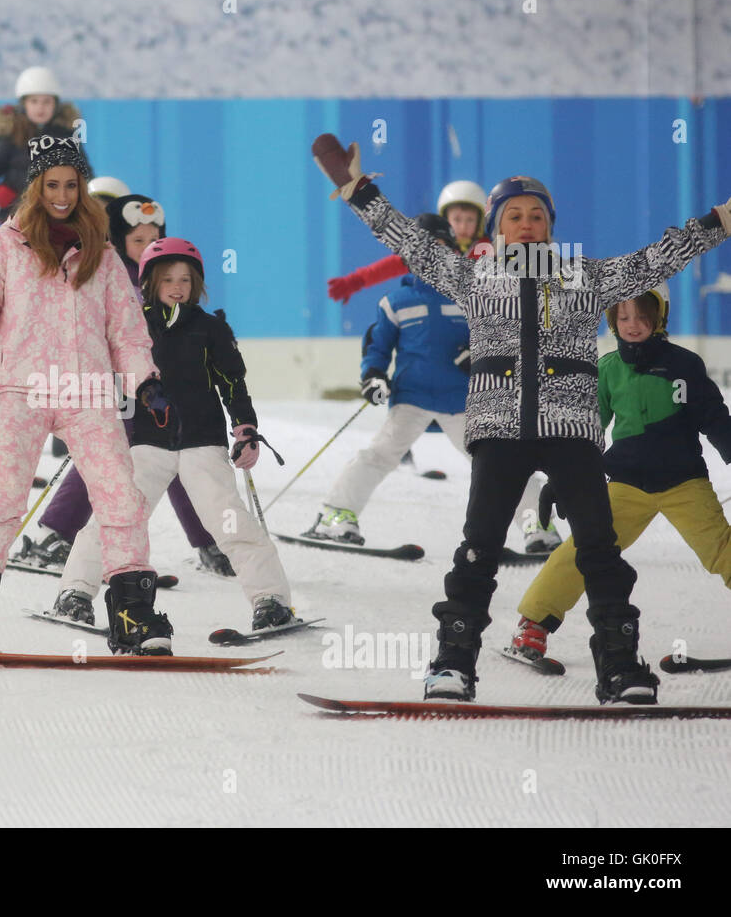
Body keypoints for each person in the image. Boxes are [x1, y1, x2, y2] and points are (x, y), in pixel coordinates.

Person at [312, 130, 731, 704]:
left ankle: (619, 667)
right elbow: (412, 244)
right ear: (496, 228)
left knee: (598, 550)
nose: (527, 223)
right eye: (514, 215)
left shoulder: (587, 277)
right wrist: (358, 191)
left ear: (550, 224)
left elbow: (660, 257)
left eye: (537, 214)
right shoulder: (474, 277)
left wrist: (716, 222)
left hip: (572, 437)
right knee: (478, 549)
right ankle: (453, 664)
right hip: (499, 435)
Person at [0, 134, 176, 655]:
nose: (62, 193)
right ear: (35, 187)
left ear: (82, 188)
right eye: (52, 184)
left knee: (120, 497)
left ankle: (134, 614)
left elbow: (127, 333)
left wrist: (147, 383)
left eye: (71, 184)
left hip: (87, 389)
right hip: (19, 386)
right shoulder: (4, 245)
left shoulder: (103, 254)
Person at [54, 238, 294, 630]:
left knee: (230, 522)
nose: (177, 286)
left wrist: (245, 428)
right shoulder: (133, 326)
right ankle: (75, 593)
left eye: (185, 279)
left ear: (197, 282)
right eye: (167, 279)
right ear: (150, 282)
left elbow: (232, 382)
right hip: (147, 443)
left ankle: (271, 600)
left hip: (202, 442)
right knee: (117, 520)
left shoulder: (211, 328)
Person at [308, 213, 561, 554]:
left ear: (454, 254)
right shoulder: (396, 302)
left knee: (501, 461)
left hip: (462, 399)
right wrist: (373, 377)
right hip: (411, 397)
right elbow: (377, 347)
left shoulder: (474, 295)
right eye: (423, 251)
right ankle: (336, 516)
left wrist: (478, 353)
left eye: (440, 250)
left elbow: (500, 335)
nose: (431, 259)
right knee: (380, 454)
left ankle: (537, 524)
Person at [509, 285, 731, 663]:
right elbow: (588, 432)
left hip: (684, 483)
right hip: (626, 485)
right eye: (623, 317)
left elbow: (713, 416)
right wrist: (562, 478)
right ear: (612, 321)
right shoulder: (608, 369)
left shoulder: (685, 364)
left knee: (721, 551)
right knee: (583, 547)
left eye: (642, 316)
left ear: (658, 318)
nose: (632, 325)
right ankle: (533, 625)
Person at [19, 191, 237, 576]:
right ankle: (56, 535)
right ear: (117, 242)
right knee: (108, 459)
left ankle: (207, 541)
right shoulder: (104, 275)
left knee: (176, 454)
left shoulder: (162, 279)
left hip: (162, 388)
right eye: (138, 241)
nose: (150, 247)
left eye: (155, 238)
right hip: (119, 390)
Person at [325, 180, 488, 304]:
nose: (463, 226)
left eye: (470, 220)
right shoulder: (434, 249)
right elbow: (392, 265)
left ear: (480, 221)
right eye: (457, 220)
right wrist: (356, 280)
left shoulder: (491, 251)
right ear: (444, 219)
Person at [0, 66, 90, 225]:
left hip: (60, 219)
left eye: (46, 102)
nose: (40, 107)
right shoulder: (11, 136)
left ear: (55, 105)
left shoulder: (67, 136)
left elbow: (86, 175)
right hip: (17, 219)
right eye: (34, 101)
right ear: (23, 104)